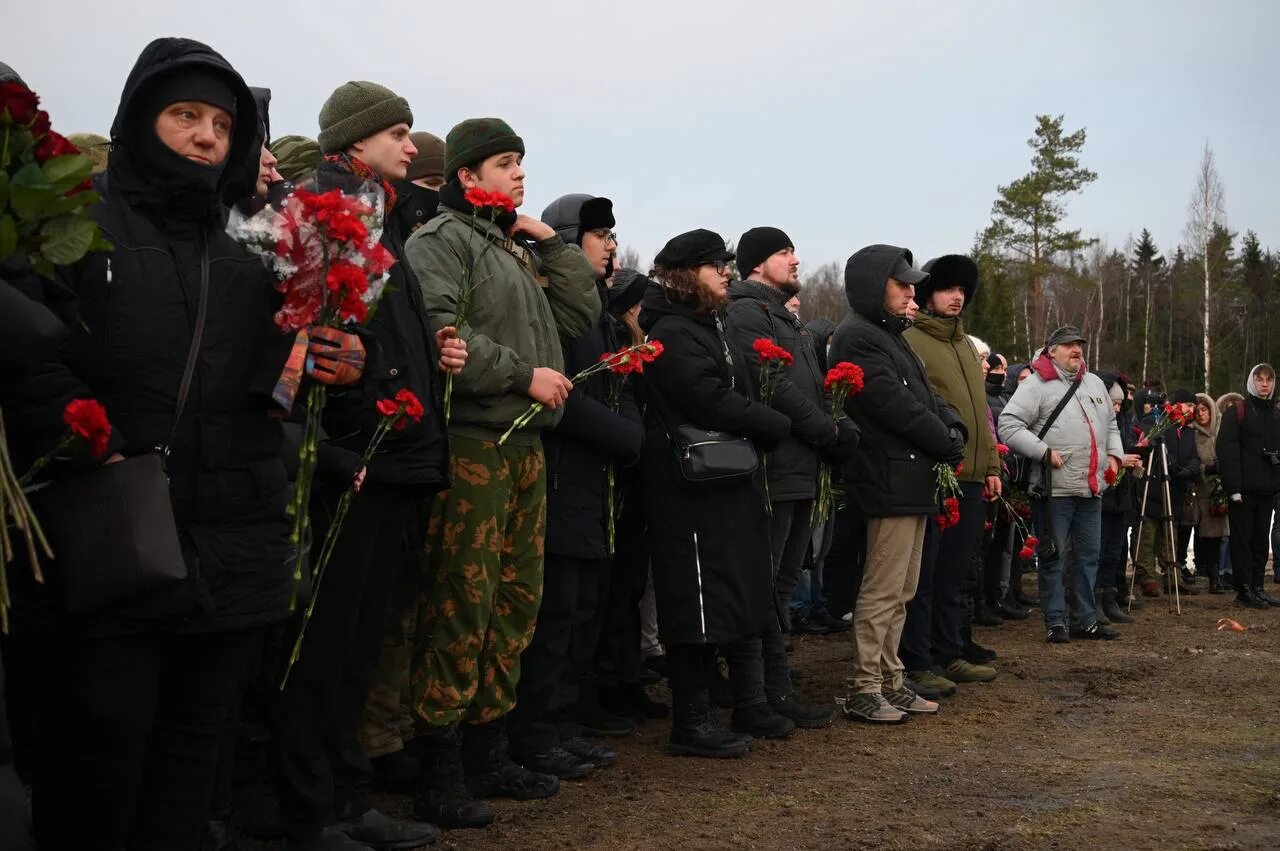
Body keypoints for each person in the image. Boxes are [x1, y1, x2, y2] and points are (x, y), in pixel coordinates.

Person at [6, 37, 364, 850]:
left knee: (189, 766)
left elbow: (279, 366)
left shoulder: (259, 239)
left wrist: (332, 357)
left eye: (222, 123)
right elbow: (34, 357)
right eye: (185, 115)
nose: (208, 136)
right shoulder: (75, 218)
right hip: (113, 542)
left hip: (232, 543)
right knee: (96, 763)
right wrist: (86, 438)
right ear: (138, 119)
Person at [274, 79, 467, 851]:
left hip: (390, 458)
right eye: (397, 132)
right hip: (349, 460)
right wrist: (352, 432)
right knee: (321, 645)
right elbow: (311, 334)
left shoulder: (380, 215)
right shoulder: (319, 214)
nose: (413, 145)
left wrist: (433, 357)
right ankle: (309, 808)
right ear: (354, 142)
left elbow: (385, 332)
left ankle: (349, 796)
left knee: (358, 644)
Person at [405, 117, 600, 825]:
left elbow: (581, 311)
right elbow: (440, 339)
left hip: (523, 450)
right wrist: (525, 377)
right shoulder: (441, 242)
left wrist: (545, 238)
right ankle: (439, 766)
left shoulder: (509, 249)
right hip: (473, 446)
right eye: (505, 162)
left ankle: (490, 750)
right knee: (463, 601)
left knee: (514, 604)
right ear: (466, 175)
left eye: (521, 162)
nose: (519, 174)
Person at [636, 229, 791, 756]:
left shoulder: (712, 324)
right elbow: (706, 397)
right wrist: (771, 422)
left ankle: (748, 702)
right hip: (689, 489)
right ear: (685, 275)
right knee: (696, 600)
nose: (725, 272)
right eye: (713, 266)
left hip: (724, 483)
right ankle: (691, 723)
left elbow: (730, 391)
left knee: (740, 589)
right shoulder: (674, 332)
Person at [507, 194, 644, 777]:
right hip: (564, 479)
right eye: (597, 233)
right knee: (556, 614)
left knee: (585, 608)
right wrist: (625, 435)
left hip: (597, 483)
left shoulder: (604, 316)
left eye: (612, 234)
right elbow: (565, 394)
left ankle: (564, 723)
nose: (610, 244)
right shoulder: (558, 310)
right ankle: (536, 733)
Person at [721, 226, 853, 736]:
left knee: (781, 582)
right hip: (774, 467)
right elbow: (769, 385)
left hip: (801, 467)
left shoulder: (784, 317)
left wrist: (838, 426)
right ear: (756, 264)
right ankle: (758, 693)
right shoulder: (746, 312)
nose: (795, 260)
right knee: (765, 583)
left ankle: (777, 689)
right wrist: (825, 430)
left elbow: (811, 387)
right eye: (784, 252)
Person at [829, 244, 965, 723]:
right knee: (883, 589)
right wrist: (946, 438)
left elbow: (928, 396)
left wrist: (953, 427)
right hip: (886, 477)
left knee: (904, 589)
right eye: (902, 284)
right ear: (874, 285)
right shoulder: (858, 338)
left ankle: (891, 677)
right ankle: (866, 686)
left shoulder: (893, 336)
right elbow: (892, 405)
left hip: (910, 478)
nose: (912, 292)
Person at [900, 254, 1002, 697]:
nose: (956, 296)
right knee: (925, 574)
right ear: (927, 293)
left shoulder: (965, 346)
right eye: (946, 288)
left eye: (962, 289)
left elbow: (980, 414)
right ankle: (917, 661)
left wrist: (993, 466)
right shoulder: (912, 342)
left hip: (975, 476)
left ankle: (949, 650)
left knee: (956, 573)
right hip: (938, 474)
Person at [999, 326, 1123, 643]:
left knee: (1088, 556)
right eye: (1068, 345)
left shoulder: (1094, 382)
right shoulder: (1037, 384)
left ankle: (1085, 618)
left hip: (1091, 487)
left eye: (1079, 344)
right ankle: (1056, 620)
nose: (1076, 350)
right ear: (1051, 350)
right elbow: (1008, 424)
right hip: (1053, 490)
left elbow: (1111, 423)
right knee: (1054, 556)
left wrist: (1115, 456)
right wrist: (1044, 452)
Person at [1217, 364, 1280, 608]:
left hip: (1267, 489)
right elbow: (1227, 452)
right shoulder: (1237, 412)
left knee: (1260, 540)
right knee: (1242, 540)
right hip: (1242, 490)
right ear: (1251, 381)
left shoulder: (1275, 414)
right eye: (1259, 379)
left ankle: (1257, 586)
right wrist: (1233, 488)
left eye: (1269, 379)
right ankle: (1243, 588)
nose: (1264, 384)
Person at [1133, 389, 1201, 598]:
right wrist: (1171, 467)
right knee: (1147, 535)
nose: (1191, 410)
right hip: (1154, 489)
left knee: (1170, 538)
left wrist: (1189, 470)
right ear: (1176, 405)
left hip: (1176, 490)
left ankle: (1173, 576)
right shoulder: (1160, 424)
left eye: (1193, 407)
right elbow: (1156, 449)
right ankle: (1146, 576)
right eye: (1187, 405)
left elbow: (1195, 457)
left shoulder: (1189, 432)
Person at [1094, 373, 1142, 623]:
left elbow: (1123, 446)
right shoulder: (1095, 419)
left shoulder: (1123, 422)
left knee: (1114, 550)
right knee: (1098, 550)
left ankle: (1109, 597)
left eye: (1119, 404)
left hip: (1120, 494)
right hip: (1102, 491)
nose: (1116, 408)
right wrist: (1120, 460)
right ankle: (1094, 600)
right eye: (1112, 402)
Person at [1191, 393, 1230, 594]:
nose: (1201, 414)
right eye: (1197, 411)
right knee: (1206, 535)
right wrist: (1207, 469)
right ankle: (1210, 575)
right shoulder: (1193, 434)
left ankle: (1219, 575)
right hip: (1203, 490)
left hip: (1223, 490)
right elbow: (1191, 463)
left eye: (1204, 409)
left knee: (1220, 535)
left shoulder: (1221, 430)